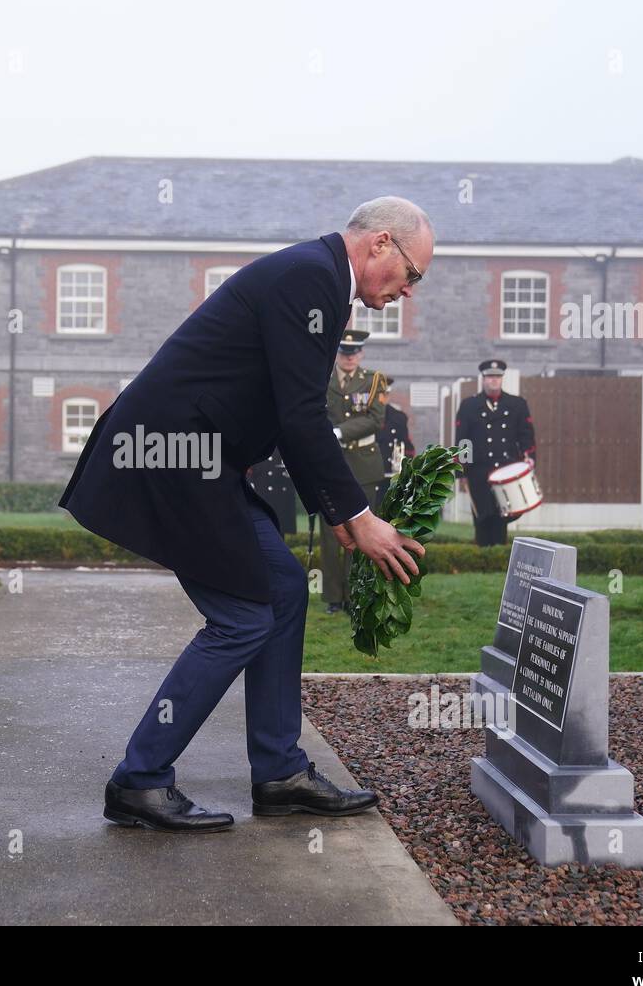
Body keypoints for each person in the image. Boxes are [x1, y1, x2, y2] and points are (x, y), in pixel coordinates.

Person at [60, 196, 432, 831]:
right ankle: (139, 781)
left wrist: (337, 512)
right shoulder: (309, 277)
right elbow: (301, 415)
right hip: (173, 458)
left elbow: (290, 413)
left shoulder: (318, 282)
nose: (408, 291)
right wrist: (360, 516)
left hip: (200, 459)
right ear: (380, 246)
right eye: (412, 274)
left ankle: (280, 772)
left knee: (284, 588)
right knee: (241, 617)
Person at [320, 329, 388, 613]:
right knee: (329, 533)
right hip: (330, 463)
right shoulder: (323, 377)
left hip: (363, 462)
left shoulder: (374, 381)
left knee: (362, 533)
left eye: (354, 352)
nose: (349, 358)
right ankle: (333, 598)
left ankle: (354, 594)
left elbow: (375, 420)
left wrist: (340, 431)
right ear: (338, 354)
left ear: (360, 354)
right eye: (344, 353)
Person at [454, 359, 536, 546]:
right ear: (483, 379)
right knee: (482, 517)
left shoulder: (517, 404)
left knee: (502, 517)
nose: (493, 380)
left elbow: (526, 436)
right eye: (490, 377)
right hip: (479, 472)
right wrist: (462, 472)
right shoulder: (469, 405)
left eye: (497, 377)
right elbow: (463, 440)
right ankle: (484, 558)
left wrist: (529, 459)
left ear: (502, 379)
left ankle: (498, 556)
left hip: (505, 472)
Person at [374, 377, 415, 480]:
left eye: (384, 394)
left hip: (390, 475)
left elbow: (406, 447)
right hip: (365, 475)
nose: (380, 398)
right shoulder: (360, 416)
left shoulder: (398, 417)